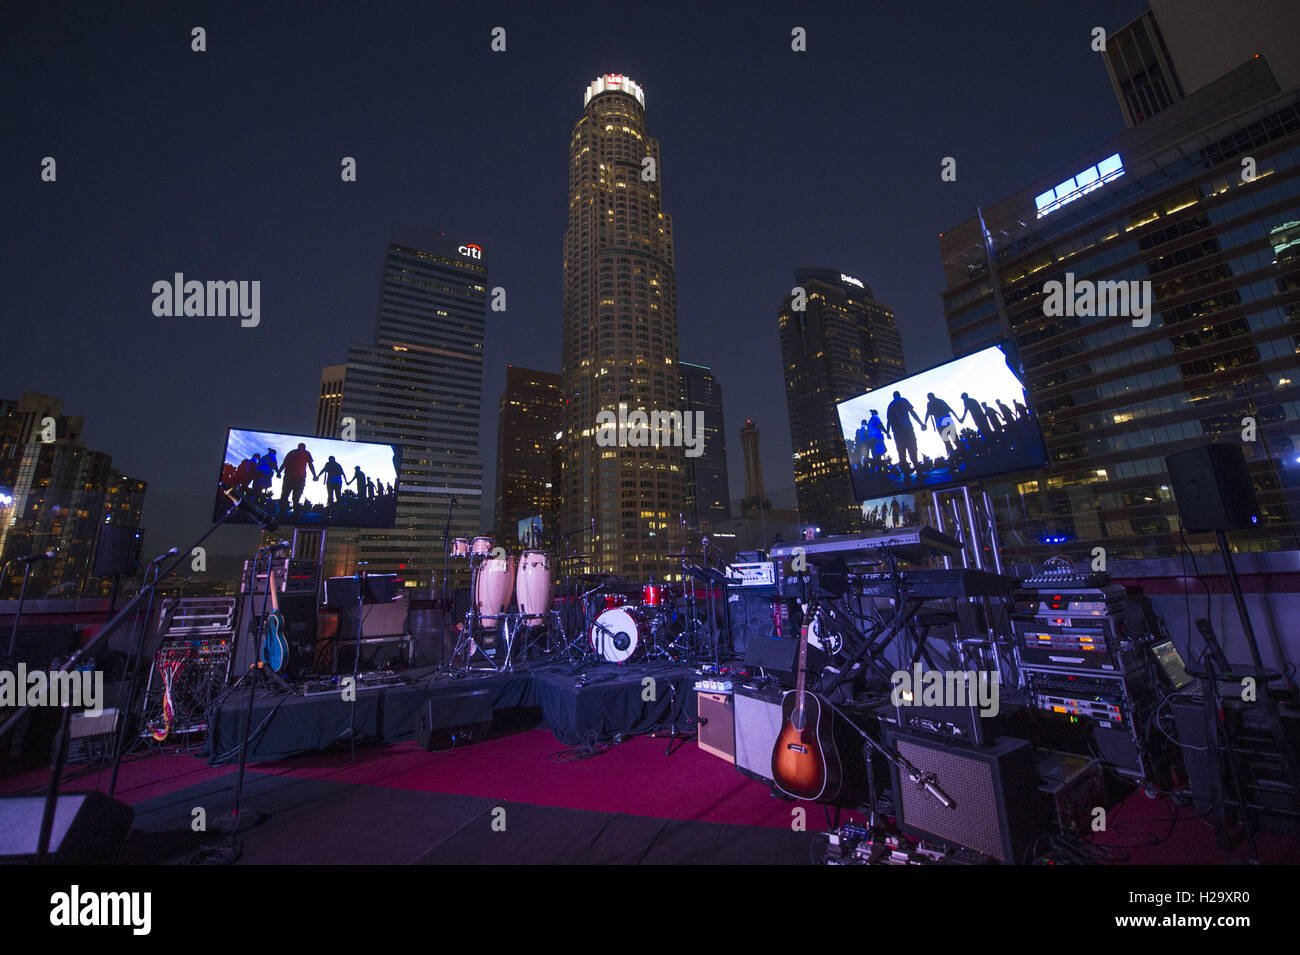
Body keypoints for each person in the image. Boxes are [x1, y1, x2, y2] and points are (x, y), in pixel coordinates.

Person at [885, 391, 926, 475]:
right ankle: (918, 471)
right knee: (912, 449)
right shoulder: (903, 400)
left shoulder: (890, 405)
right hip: (907, 429)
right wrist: (921, 423)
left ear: (893, 396)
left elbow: (889, 421)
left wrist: (887, 432)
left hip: (897, 432)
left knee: (901, 452)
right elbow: (912, 412)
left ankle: (906, 474)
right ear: (899, 395)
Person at [278, 442, 318, 509]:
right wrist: (314, 475)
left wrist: (279, 472)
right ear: (304, 447)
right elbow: (310, 465)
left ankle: (282, 509)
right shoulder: (306, 453)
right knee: (297, 494)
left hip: (289, 476)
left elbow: (285, 463)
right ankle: (295, 510)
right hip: (300, 477)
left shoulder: (291, 452)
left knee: (285, 493)